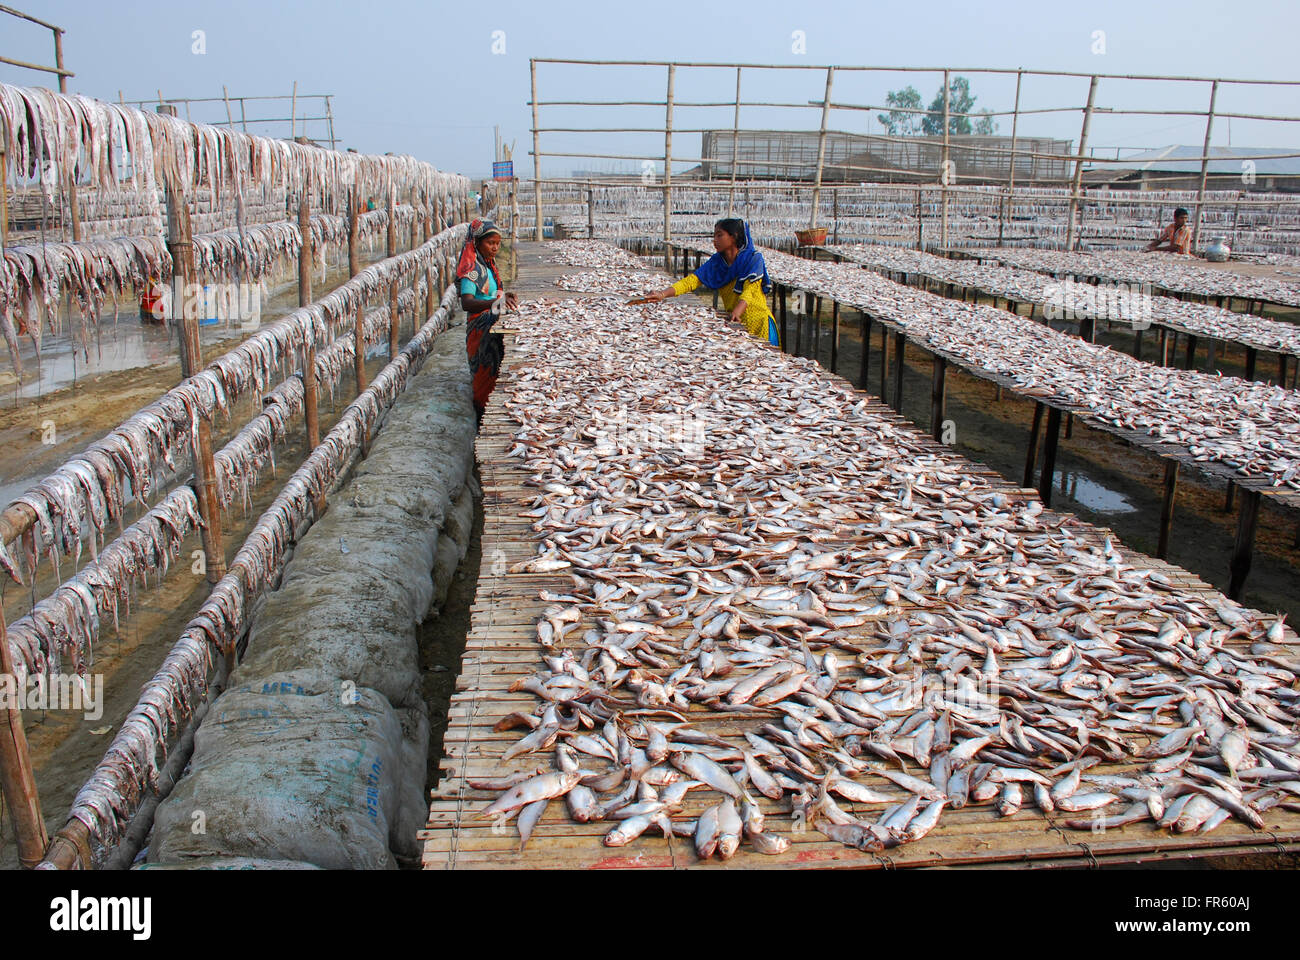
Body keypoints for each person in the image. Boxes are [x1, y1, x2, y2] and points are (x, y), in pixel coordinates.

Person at [644, 218, 780, 347]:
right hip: (736, 323)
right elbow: (692, 281)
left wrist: (737, 311)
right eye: (714, 236)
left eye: (720, 235)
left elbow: (750, 290)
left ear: (733, 237)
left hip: (759, 323)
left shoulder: (753, 259)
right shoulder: (717, 262)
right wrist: (662, 294)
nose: (715, 240)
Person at [457, 219, 517, 426]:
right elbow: (467, 303)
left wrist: (503, 296)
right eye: (490, 243)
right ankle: (481, 420)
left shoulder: (489, 267)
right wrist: (497, 301)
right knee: (483, 379)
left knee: (494, 375)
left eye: (498, 243)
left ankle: (490, 413)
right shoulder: (473, 270)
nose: (495, 247)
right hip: (479, 332)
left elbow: (490, 295)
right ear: (477, 243)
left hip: (490, 330)